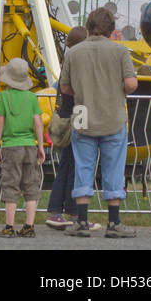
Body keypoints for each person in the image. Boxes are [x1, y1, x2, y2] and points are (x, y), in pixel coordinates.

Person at [60, 6, 138, 238]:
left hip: (83, 112)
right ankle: (114, 223)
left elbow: (65, 87)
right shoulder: (120, 50)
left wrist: (83, 91)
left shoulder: (74, 52)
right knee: (114, 168)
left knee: (83, 165)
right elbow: (132, 84)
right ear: (111, 28)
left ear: (88, 26)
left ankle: (81, 220)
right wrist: (118, 89)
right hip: (112, 113)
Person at [0, 57, 45, 238]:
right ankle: (29, 226)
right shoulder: (32, 97)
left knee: (10, 185)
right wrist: (41, 146)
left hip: (11, 147)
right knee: (31, 185)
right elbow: (38, 122)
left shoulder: (3, 97)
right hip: (30, 146)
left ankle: (9, 226)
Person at [46, 25, 91, 230]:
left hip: (65, 115)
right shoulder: (79, 62)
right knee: (77, 165)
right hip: (77, 115)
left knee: (67, 163)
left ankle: (57, 210)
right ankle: (73, 211)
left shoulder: (67, 61)